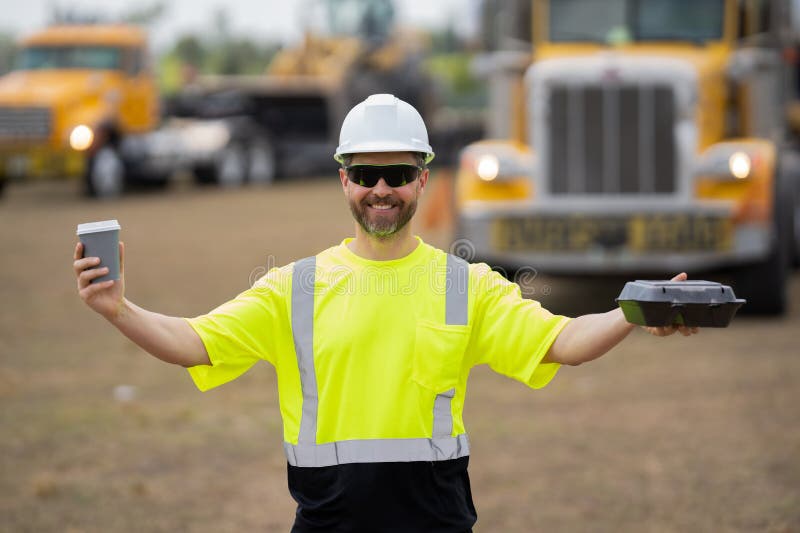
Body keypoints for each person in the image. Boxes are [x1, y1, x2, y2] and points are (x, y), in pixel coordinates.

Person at [72, 93, 698, 532]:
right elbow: (194, 342)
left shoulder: (465, 285)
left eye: (397, 173)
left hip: (437, 524)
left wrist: (632, 313)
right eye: (366, 174)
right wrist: (117, 309)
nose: (381, 190)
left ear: (423, 179)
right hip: (328, 524)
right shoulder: (294, 287)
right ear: (343, 178)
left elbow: (564, 340)